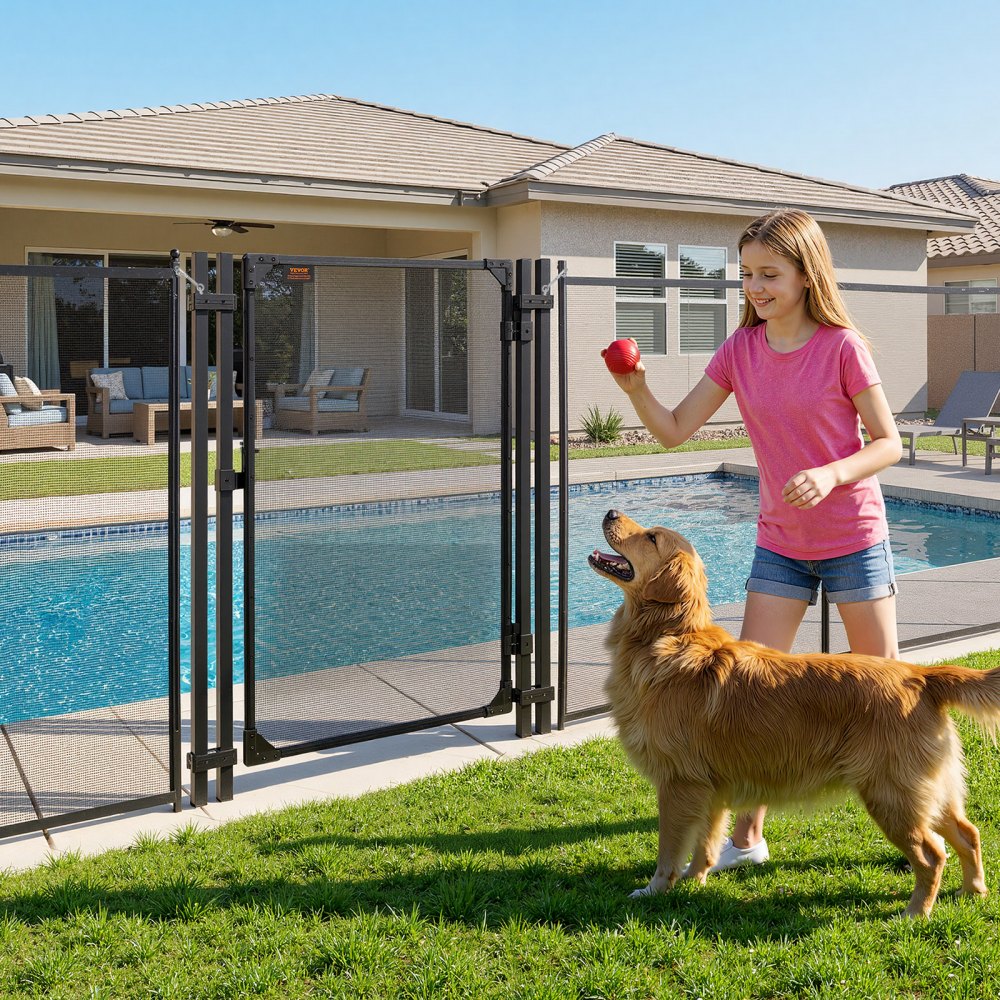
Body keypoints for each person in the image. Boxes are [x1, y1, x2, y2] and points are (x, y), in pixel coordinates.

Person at [604, 208, 903, 872]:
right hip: (781, 543)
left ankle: (909, 816)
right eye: (746, 275)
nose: (756, 287)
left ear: (806, 273)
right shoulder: (741, 349)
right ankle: (747, 839)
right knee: (751, 697)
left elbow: (889, 442)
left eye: (770, 273)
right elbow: (675, 429)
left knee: (884, 691)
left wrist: (832, 472)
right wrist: (637, 389)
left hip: (853, 534)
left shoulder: (841, 347)